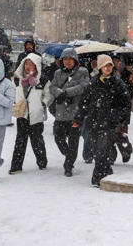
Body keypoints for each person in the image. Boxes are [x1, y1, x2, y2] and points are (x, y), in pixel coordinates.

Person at [74, 54, 131, 187]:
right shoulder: (93, 83)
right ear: (100, 67)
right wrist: (79, 118)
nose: (107, 68)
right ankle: (107, 172)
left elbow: (125, 102)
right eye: (105, 66)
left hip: (110, 122)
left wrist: (122, 119)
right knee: (99, 149)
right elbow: (84, 102)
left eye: (110, 65)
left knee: (102, 149)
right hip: (94, 121)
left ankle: (98, 176)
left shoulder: (117, 83)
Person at [48, 48, 89, 177]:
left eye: (70, 59)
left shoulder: (82, 71)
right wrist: (60, 93)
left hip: (75, 113)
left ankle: (68, 166)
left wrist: (67, 92)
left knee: (73, 142)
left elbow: (84, 86)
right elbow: (52, 87)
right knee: (58, 138)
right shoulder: (58, 73)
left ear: (75, 60)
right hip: (61, 112)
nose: (68, 61)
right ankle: (69, 155)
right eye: (65, 59)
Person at [9, 53, 48, 174]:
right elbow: (14, 93)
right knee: (20, 140)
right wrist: (17, 102)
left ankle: (42, 161)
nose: (28, 66)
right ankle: (16, 166)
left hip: (36, 114)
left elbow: (48, 94)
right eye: (26, 63)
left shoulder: (42, 80)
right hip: (23, 114)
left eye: (31, 64)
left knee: (37, 140)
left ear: (36, 66)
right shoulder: (18, 79)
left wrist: (42, 104)